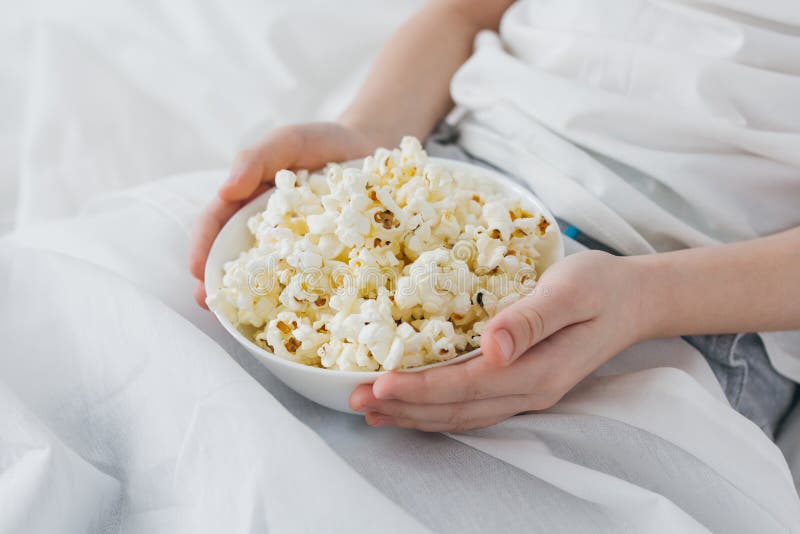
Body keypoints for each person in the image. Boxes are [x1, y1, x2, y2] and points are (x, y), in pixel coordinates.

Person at [189, 0, 800, 437]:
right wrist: (369, 131)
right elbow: (468, 11)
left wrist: (646, 298)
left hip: (691, 296)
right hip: (441, 181)